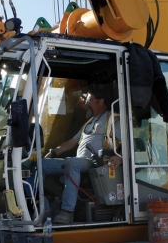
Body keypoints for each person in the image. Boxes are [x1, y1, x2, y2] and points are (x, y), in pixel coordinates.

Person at [41, 87, 122, 224]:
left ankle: (67, 212)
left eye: (89, 100)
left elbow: (129, 141)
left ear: (101, 101)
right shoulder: (88, 123)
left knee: (72, 163)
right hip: (78, 161)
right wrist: (52, 153)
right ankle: (34, 207)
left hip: (94, 161)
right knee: (41, 164)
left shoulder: (113, 119)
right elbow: (70, 143)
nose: (86, 103)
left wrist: (120, 157)